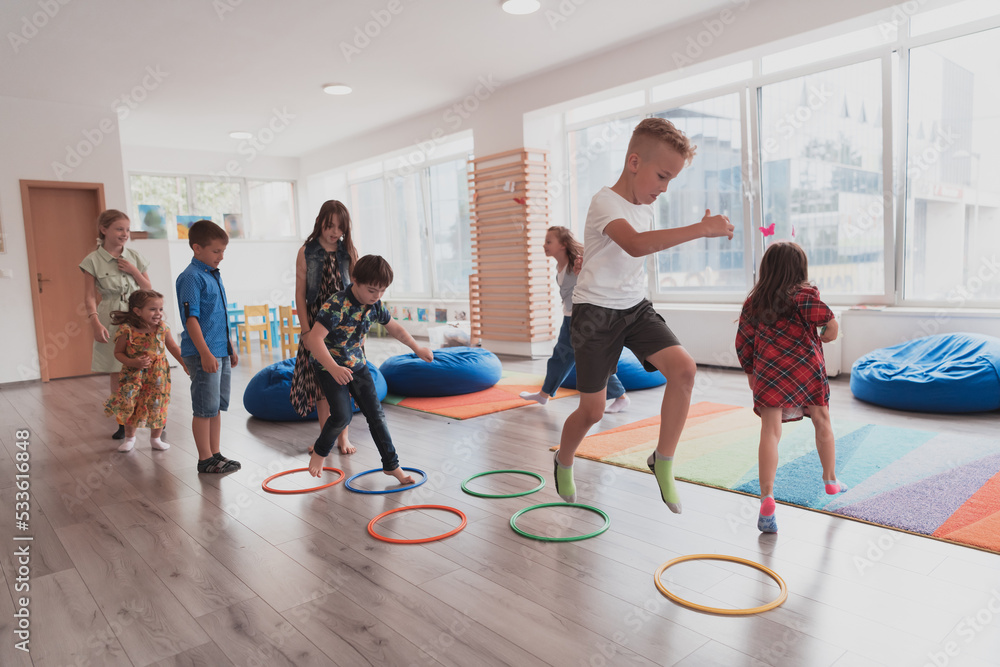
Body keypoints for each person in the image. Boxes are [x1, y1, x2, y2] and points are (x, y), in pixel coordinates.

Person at [553, 117, 734, 511]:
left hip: (634, 308)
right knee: (592, 411)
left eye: (671, 181)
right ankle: (564, 458)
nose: (665, 189)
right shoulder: (605, 202)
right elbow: (635, 245)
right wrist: (701, 229)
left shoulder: (646, 209)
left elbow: (639, 251)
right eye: (662, 176)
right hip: (595, 314)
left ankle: (663, 460)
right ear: (634, 162)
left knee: (685, 370)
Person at [735, 241, 842, 533]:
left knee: (770, 431)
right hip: (806, 369)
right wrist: (826, 336)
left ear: (767, 269)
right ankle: (830, 480)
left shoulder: (755, 301)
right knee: (822, 420)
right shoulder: (806, 295)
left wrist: (751, 373)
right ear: (800, 268)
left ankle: (767, 497)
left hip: (770, 371)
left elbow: (743, 342)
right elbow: (831, 327)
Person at [302, 254, 433, 480]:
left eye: (382, 290)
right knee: (342, 416)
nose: (377, 296)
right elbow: (314, 340)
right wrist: (333, 368)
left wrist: (416, 348)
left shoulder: (376, 306)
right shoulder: (336, 304)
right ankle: (320, 451)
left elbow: (395, 328)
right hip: (329, 367)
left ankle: (391, 465)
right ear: (355, 280)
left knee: (377, 416)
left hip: (357, 365)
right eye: (372, 290)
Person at [519, 226, 629, 413]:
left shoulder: (576, 265)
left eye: (548, 241)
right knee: (559, 358)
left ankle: (621, 396)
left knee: (591, 361)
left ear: (563, 245)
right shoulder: (559, 266)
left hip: (586, 320)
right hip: (570, 319)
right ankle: (544, 395)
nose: (544, 245)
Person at [290, 200, 358, 455]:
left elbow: (357, 291)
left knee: (343, 380)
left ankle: (344, 438)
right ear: (320, 222)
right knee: (321, 385)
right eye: (330, 226)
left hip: (342, 326)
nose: (334, 232)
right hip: (316, 325)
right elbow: (299, 294)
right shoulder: (306, 252)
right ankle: (325, 438)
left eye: (340, 228)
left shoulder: (348, 252)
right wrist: (306, 330)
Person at [175, 220, 242, 474]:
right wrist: (205, 352)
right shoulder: (191, 278)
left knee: (216, 407)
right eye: (216, 251)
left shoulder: (212, 274)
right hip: (202, 352)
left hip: (220, 350)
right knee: (204, 408)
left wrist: (229, 347)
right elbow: (191, 319)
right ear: (197, 248)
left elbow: (218, 315)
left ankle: (215, 454)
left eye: (223, 251)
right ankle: (205, 459)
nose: (221, 257)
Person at [79, 209, 152, 439]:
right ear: (104, 230)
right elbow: (89, 296)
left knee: (146, 367)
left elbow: (149, 289)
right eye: (119, 229)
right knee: (117, 370)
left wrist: (133, 270)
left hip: (138, 316)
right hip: (110, 317)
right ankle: (122, 421)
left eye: (127, 230)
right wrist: (95, 322)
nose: (125, 234)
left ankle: (152, 416)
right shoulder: (92, 261)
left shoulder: (135, 257)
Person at [104, 290, 187, 452]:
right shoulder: (127, 330)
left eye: (161, 309)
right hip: (132, 376)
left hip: (158, 377)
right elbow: (118, 353)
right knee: (130, 406)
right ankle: (130, 438)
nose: (158, 313)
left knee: (158, 405)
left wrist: (185, 364)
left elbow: (174, 348)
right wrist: (132, 362)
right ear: (137, 311)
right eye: (153, 309)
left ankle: (156, 438)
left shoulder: (162, 329)